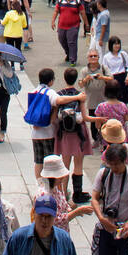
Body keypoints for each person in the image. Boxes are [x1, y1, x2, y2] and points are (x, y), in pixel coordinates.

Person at [52, 67, 93, 203]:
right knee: (78, 164)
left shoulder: (59, 95)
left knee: (65, 164)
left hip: (64, 133)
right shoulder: (80, 95)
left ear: (64, 77)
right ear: (76, 79)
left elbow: (54, 118)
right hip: (78, 132)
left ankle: (63, 194)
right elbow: (85, 117)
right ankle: (78, 192)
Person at [38, 154, 95, 228]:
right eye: (59, 175)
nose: (62, 177)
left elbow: (63, 205)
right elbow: (55, 221)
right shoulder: (45, 196)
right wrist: (77, 212)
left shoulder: (56, 187)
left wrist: (73, 209)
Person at [29, 68, 58, 181]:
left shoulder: (33, 92)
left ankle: (40, 186)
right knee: (50, 162)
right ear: (51, 81)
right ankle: (50, 185)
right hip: (48, 133)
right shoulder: (50, 93)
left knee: (38, 161)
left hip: (35, 134)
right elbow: (58, 101)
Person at [51, 0, 82, 65]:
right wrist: (53, 21)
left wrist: (86, 24)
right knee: (62, 40)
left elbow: (83, 13)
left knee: (72, 42)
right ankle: (69, 54)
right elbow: (56, 11)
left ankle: (73, 59)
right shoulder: (61, 1)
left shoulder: (77, 2)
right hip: (62, 26)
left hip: (73, 26)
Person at [102, 36, 128, 102]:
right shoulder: (106, 57)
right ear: (111, 45)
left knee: (124, 101)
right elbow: (105, 70)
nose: (117, 46)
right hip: (112, 79)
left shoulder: (123, 54)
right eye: (115, 44)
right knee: (113, 100)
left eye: (118, 44)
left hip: (123, 78)